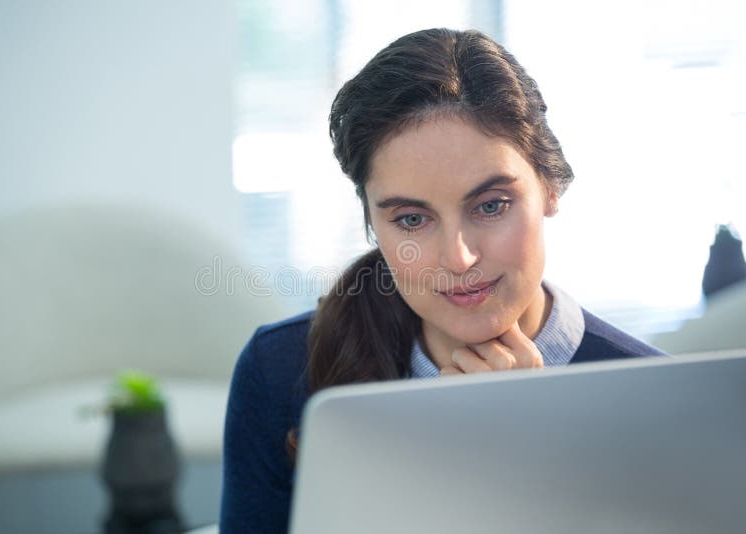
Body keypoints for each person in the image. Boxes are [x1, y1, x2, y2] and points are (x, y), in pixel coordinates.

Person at [219, 28, 663, 533]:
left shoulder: (669, 408)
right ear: (373, 226)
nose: (459, 257)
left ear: (550, 188)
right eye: (412, 219)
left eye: (491, 205)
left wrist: (535, 460)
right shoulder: (281, 372)